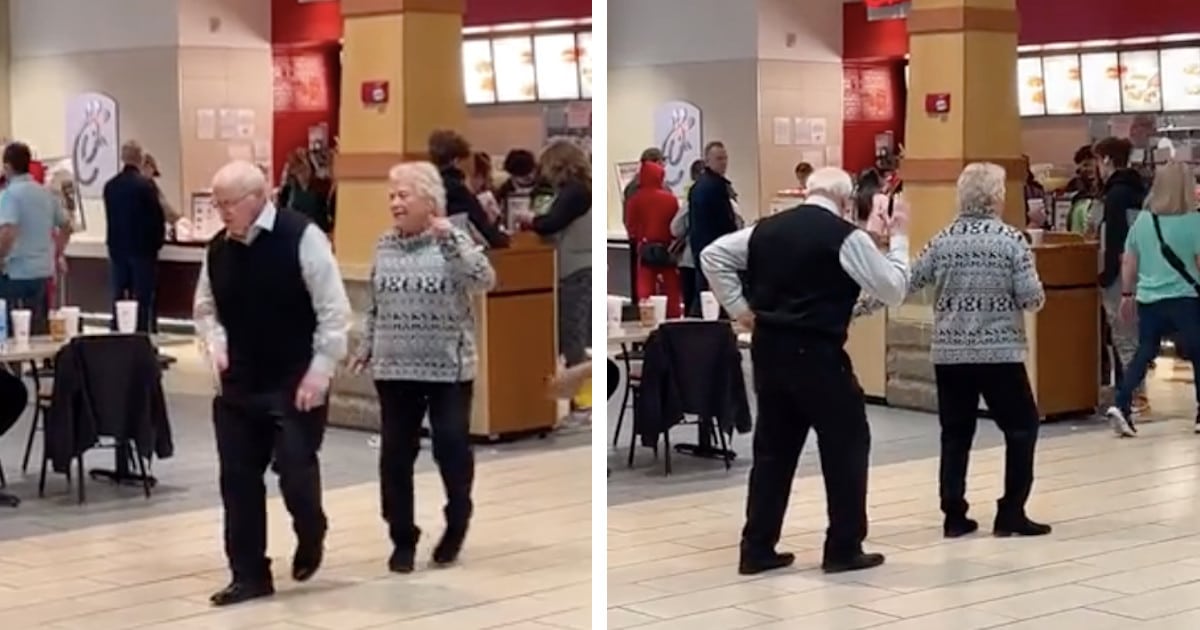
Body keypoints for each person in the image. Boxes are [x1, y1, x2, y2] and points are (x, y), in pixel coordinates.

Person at [700, 167, 909, 576]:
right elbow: (893, 288)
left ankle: (757, 547)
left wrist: (740, 309)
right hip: (818, 354)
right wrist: (898, 238)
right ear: (847, 202)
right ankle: (843, 546)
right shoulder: (845, 237)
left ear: (808, 192)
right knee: (846, 443)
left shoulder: (765, 230)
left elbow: (713, 255)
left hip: (769, 353)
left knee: (773, 451)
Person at [859, 163, 1051, 538]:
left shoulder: (942, 241)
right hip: (1000, 355)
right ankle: (1011, 511)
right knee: (1021, 428)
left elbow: (902, 284)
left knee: (955, 434)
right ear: (997, 197)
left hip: (949, 353)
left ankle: (954, 514)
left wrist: (855, 309)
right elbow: (1032, 299)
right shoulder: (1012, 241)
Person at [193, 160, 352, 607]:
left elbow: (333, 309)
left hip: (295, 379)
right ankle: (248, 574)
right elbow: (205, 310)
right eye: (216, 203)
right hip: (238, 383)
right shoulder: (217, 250)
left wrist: (321, 369)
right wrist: (215, 344)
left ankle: (311, 528)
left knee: (295, 471)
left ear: (257, 198)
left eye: (228, 203)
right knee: (238, 480)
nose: (221, 212)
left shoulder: (302, 237)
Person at [351, 161, 495, 574]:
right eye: (392, 196)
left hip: (448, 366)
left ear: (429, 201)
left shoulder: (453, 239)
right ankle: (402, 536)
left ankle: (457, 518)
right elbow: (376, 301)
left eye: (403, 195)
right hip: (395, 366)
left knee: (451, 446)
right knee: (396, 455)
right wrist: (367, 344)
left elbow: (484, 278)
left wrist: (452, 240)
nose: (395, 203)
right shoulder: (384, 244)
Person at [1105, 161, 1200, 437]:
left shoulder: (1144, 221)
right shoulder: (1194, 222)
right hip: (1186, 299)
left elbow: (1129, 261)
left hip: (1149, 299)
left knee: (1144, 351)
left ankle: (1122, 404)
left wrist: (1126, 294)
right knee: (1197, 353)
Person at [513, 140, 592, 407]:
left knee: (573, 338)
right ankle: (578, 397)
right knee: (572, 336)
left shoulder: (575, 192)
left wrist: (529, 219)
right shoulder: (580, 190)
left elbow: (551, 223)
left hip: (575, 270)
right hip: (577, 268)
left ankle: (584, 399)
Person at [1095, 137, 1149, 415]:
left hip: (1120, 276)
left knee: (1124, 335)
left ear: (1106, 159)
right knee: (1135, 334)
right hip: (1141, 270)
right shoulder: (1140, 192)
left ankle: (1135, 396)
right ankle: (1133, 392)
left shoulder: (1115, 195)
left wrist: (1106, 275)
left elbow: (1114, 239)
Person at [0, 142, 71, 334]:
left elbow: (8, 231)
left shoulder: (9, 195)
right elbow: (66, 225)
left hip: (15, 273)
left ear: (7, 167)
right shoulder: (46, 194)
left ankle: (11, 364)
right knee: (38, 331)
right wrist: (58, 251)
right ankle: (37, 363)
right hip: (42, 271)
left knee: (12, 332)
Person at [103, 141, 166, 333]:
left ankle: (116, 337)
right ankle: (142, 339)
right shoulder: (146, 186)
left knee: (119, 298)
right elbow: (157, 218)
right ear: (140, 159)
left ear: (122, 158)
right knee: (143, 300)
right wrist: (157, 243)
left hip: (117, 250)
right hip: (143, 251)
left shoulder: (110, 186)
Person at [428, 130, 508, 249]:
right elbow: (480, 224)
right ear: (456, 161)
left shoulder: (428, 184)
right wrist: (502, 240)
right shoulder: (457, 190)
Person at [627, 158, 682, 318]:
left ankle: (647, 317)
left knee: (645, 287)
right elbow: (675, 226)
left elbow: (631, 226)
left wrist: (639, 239)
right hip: (667, 248)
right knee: (671, 286)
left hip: (646, 247)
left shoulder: (635, 200)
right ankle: (673, 316)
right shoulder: (670, 199)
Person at [689, 141, 739, 297]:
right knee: (713, 297)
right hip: (715, 248)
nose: (724, 163)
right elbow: (723, 221)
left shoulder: (700, 186)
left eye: (725, 158)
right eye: (719, 159)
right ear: (707, 161)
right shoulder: (714, 187)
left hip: (703, 250)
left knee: (705, 296)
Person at [671, 160, 706, 317]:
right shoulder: (729, 199)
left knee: (691, 304)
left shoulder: (691, 201)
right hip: (715, 261)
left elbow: (675, 228)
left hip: (690, 259)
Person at [278, 149, 334, 233]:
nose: (302, 174)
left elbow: (328, 214)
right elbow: (282, 212)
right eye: (299, 170)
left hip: (318, 233)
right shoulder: (288, 189)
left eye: (304, 169)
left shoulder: (322, 186)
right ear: (293, 172)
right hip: (295, 233)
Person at [495, 149, 553, 221]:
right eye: (523, 175)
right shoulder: (505, 190)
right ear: (512, 175)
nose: (530, 176)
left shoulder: (545, 187)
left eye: (531, 171)